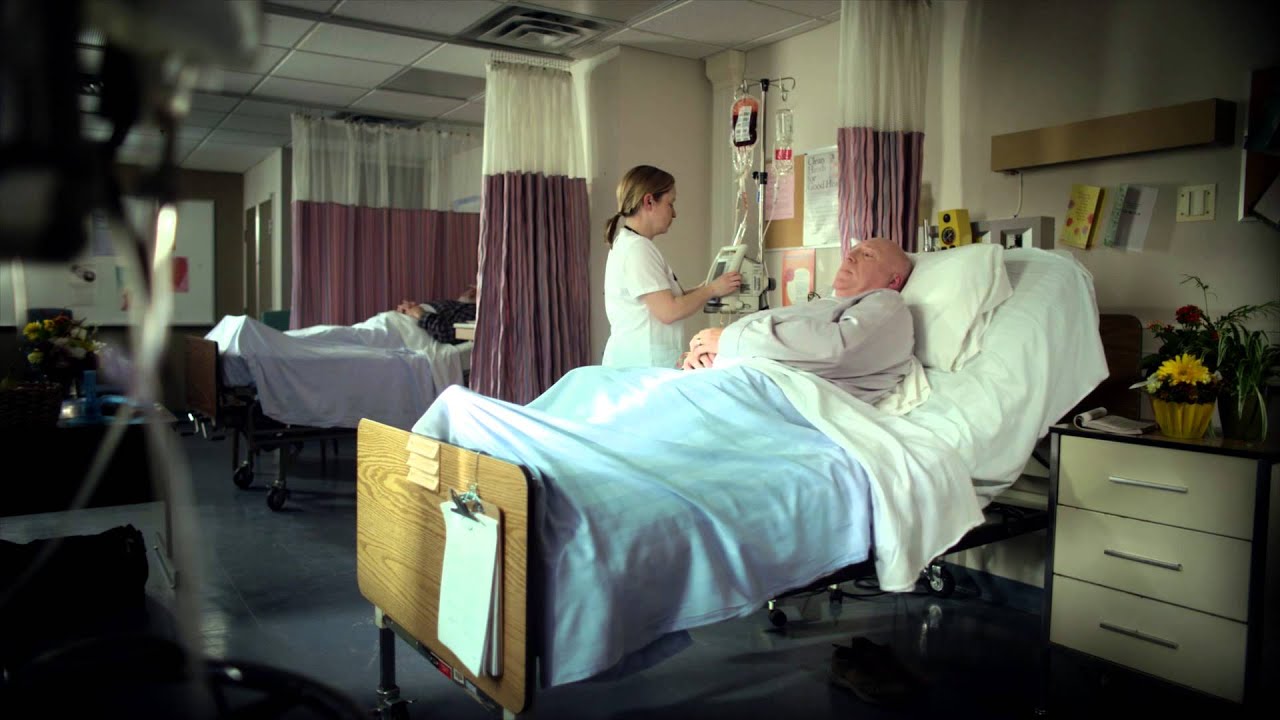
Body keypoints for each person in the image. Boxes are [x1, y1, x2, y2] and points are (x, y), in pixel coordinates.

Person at [680, 237, 914, 405]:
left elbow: (839, 348)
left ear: (893, 281)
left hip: (768, 397)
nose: (850, 256)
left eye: (867, 254)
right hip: (727, 381)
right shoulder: (827, 303)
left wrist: (729, 340)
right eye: (852, 250)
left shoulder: (887, 303)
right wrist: (705, 352)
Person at [602, 165, 743, 369]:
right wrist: (712, 289)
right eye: (670, 203)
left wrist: (708, 287)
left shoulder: (629, 244)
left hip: (639, 364)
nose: (674, 213)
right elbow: (669, 311)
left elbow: (667, 300)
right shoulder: (637, 249)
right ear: (649, 201)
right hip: (641, 367)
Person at [394, 287, 477, 345]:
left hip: (414, 323)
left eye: (477, 290)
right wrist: (407, 308)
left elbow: (447, 332)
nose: (470, 291)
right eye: (471, 288)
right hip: (402, 317)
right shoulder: (455, 304)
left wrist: (421, 314)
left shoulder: (473, 310)